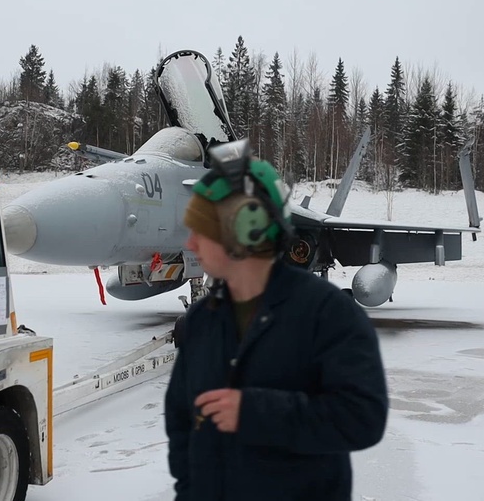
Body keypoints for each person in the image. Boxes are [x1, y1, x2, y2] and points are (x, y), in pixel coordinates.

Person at [164, 140, 388, 501]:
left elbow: (362, 417)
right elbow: (181, 420)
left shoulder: (329, 314)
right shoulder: (202, 319)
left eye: (202, 230)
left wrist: (253, 412)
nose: (190, 244)